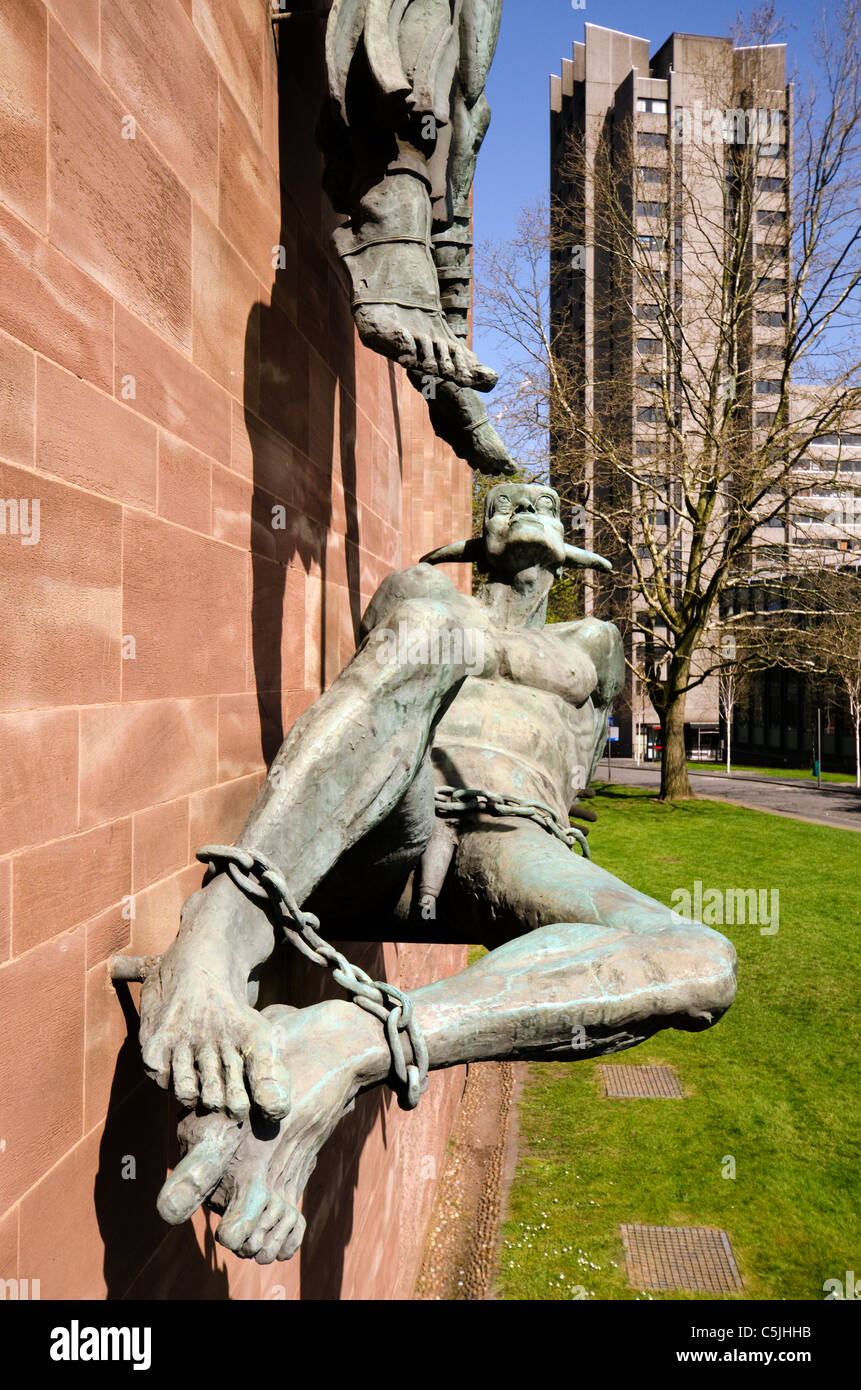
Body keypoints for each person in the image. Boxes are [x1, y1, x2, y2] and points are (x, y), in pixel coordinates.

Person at [138, 483, 737, 1263]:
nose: (527, 506)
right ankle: (215, 935)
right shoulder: (425, 590)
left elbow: (578, 759)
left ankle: (341, 1044)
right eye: (506, 503)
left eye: (546, 505)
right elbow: (398, 662)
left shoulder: (594, 639)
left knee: (699, 959)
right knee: (431, 631)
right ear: (473, 538)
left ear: (573, 542)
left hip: (513, 834)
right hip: (400, 803)